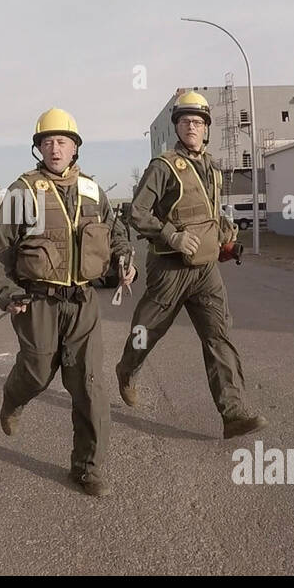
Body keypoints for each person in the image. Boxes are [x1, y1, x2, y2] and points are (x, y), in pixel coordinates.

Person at [0, 108, 135, 496]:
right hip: (37, 302)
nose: (55, 148)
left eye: (62, 141)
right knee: (36, 373)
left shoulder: (92, 190)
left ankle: (87, 468)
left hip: (83, 302)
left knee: (88, 385)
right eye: (47, 141)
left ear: (75, 148)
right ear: (38, 148)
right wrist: (6, 294)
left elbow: (117, 235)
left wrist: (123, 260)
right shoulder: (23, 190)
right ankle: (13, 400)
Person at [115, 91, 267, 439]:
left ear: (206, 128)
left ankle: (233, 412)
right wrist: (172, 236)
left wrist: (226, 241)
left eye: (197, 122)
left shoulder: (212, 168)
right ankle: (127, 369)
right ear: (177, 128)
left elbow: (210, 215)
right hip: (169, 270)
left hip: (205, 271)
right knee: (146, 333)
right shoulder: (163, 167)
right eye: (185, 122)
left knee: (219, 336)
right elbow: (137, 212)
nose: (191, 127)